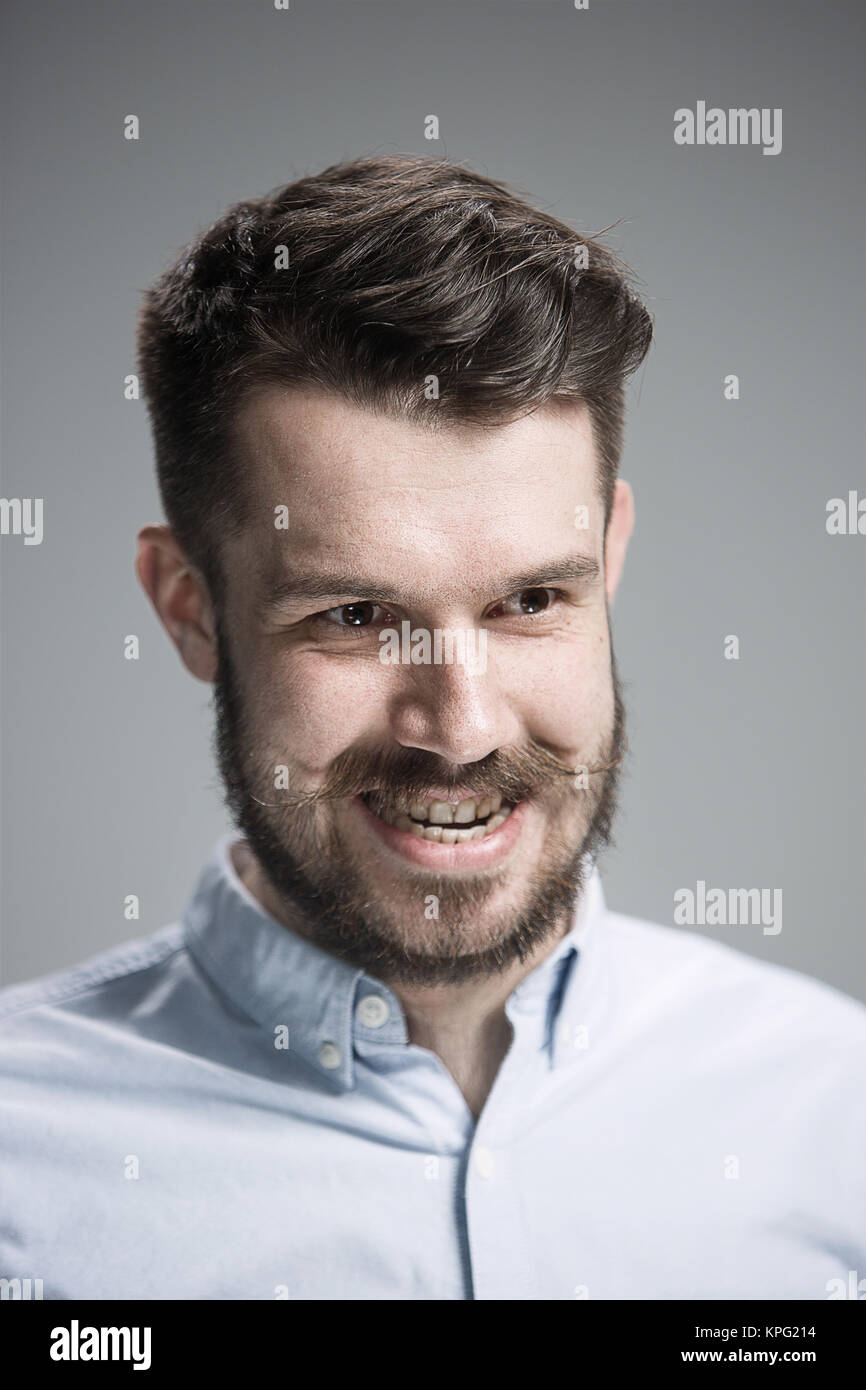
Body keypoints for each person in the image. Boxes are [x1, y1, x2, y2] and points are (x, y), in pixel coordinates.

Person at [1, 156, 863, 1301]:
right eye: (354, 616)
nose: (459, 729)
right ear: (188, 606)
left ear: (607, 555)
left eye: (529, 600)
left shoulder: (834, 1116)